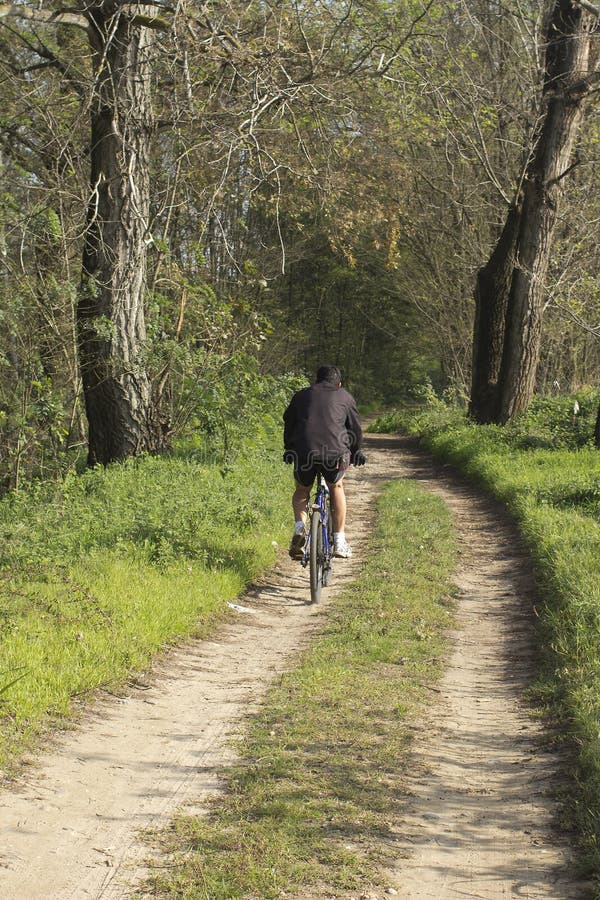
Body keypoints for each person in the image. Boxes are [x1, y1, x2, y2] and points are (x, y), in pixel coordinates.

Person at [283, 365, 365, 560]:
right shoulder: (345, 397)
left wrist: (289, 448)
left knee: (302, 490)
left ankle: (300, 528)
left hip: (304, 452)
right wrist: (357, 451)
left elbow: (289, 422)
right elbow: (355, 428)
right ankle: (339, 540)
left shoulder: (301, 396)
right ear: (339, 383)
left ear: (316, 381)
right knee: (336, 486)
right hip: (334, 454)